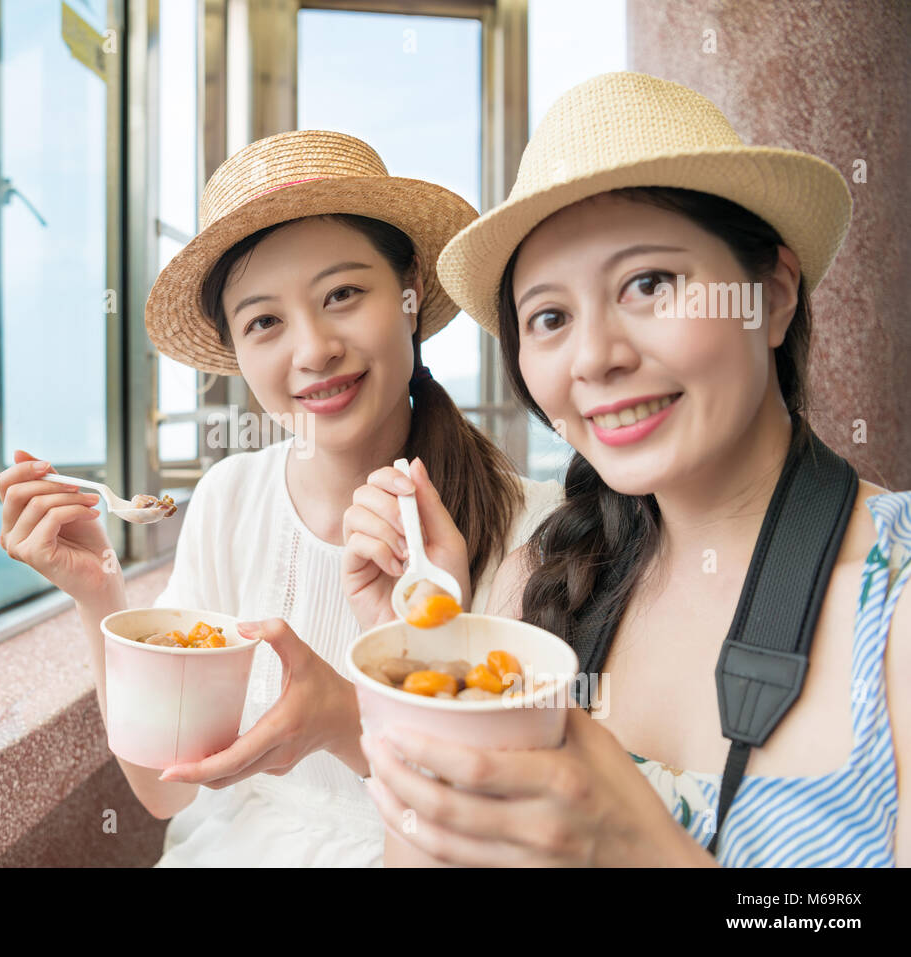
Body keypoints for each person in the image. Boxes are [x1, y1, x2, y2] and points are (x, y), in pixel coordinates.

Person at [353, 72, 909, 866]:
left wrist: (645, 852)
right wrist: (415, 668)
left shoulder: (895, 605)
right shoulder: (531, 588)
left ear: (774, 295)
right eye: (549, 317)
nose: (597, 358)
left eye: (650, 283)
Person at [0, 129, 561, 866]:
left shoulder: (534, 528)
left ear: (410, 298)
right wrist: (99, 594)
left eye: (344, 294)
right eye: (264, 321)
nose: (312, 347)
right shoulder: (230, 498)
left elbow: (513, 826)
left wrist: (343, 719)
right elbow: (169, 791)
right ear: (237, 351)